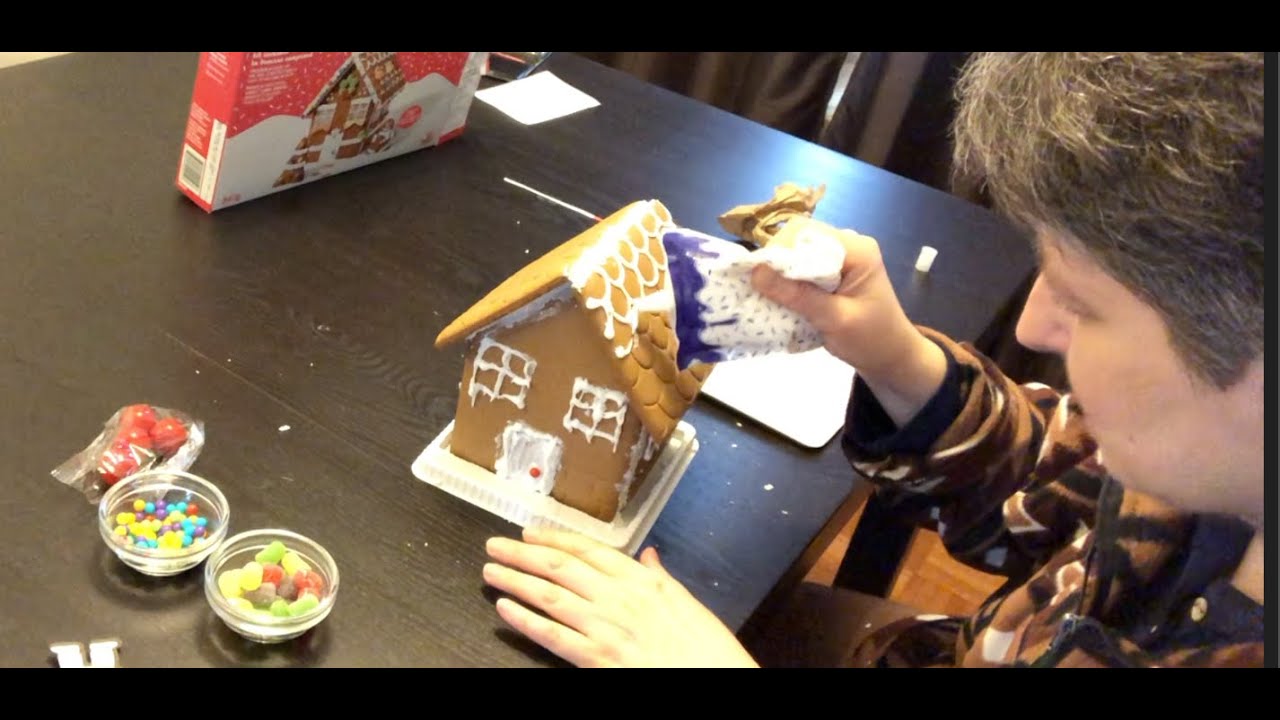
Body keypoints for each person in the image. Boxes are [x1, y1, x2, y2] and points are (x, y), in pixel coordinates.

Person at [479, 52, 1265, 668]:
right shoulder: (1206, 472)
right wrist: (894, 355)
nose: (1031, 329)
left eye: (1084, 302)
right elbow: (1059, 487)